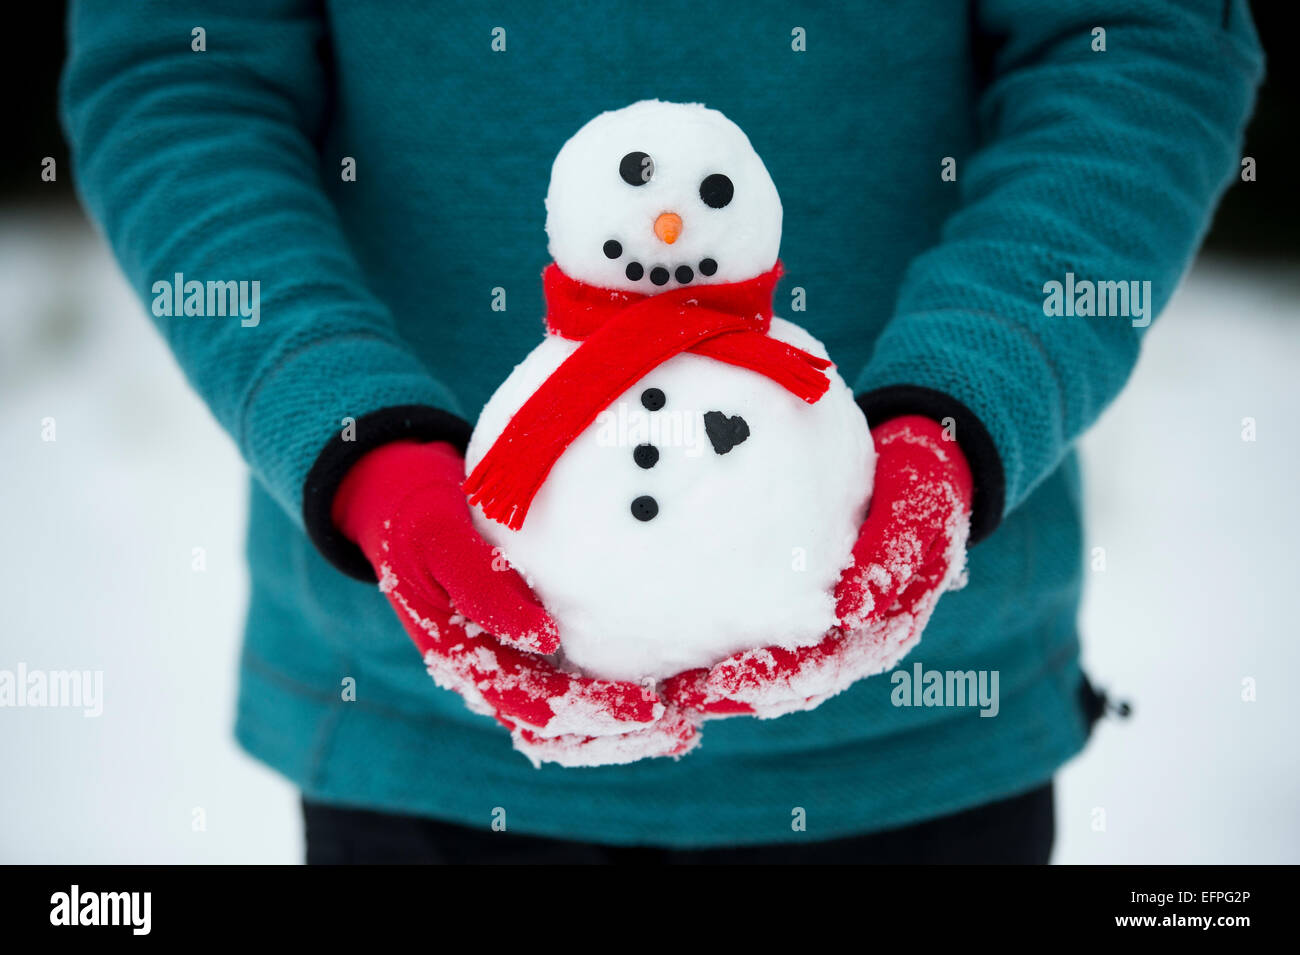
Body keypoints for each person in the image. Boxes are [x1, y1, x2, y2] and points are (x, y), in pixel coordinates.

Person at [61, 0, 1262, 864]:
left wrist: (961, 409)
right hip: (414, 742)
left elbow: (1135, 45)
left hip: (923, 750)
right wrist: (349, 434)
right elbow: (175, 65)